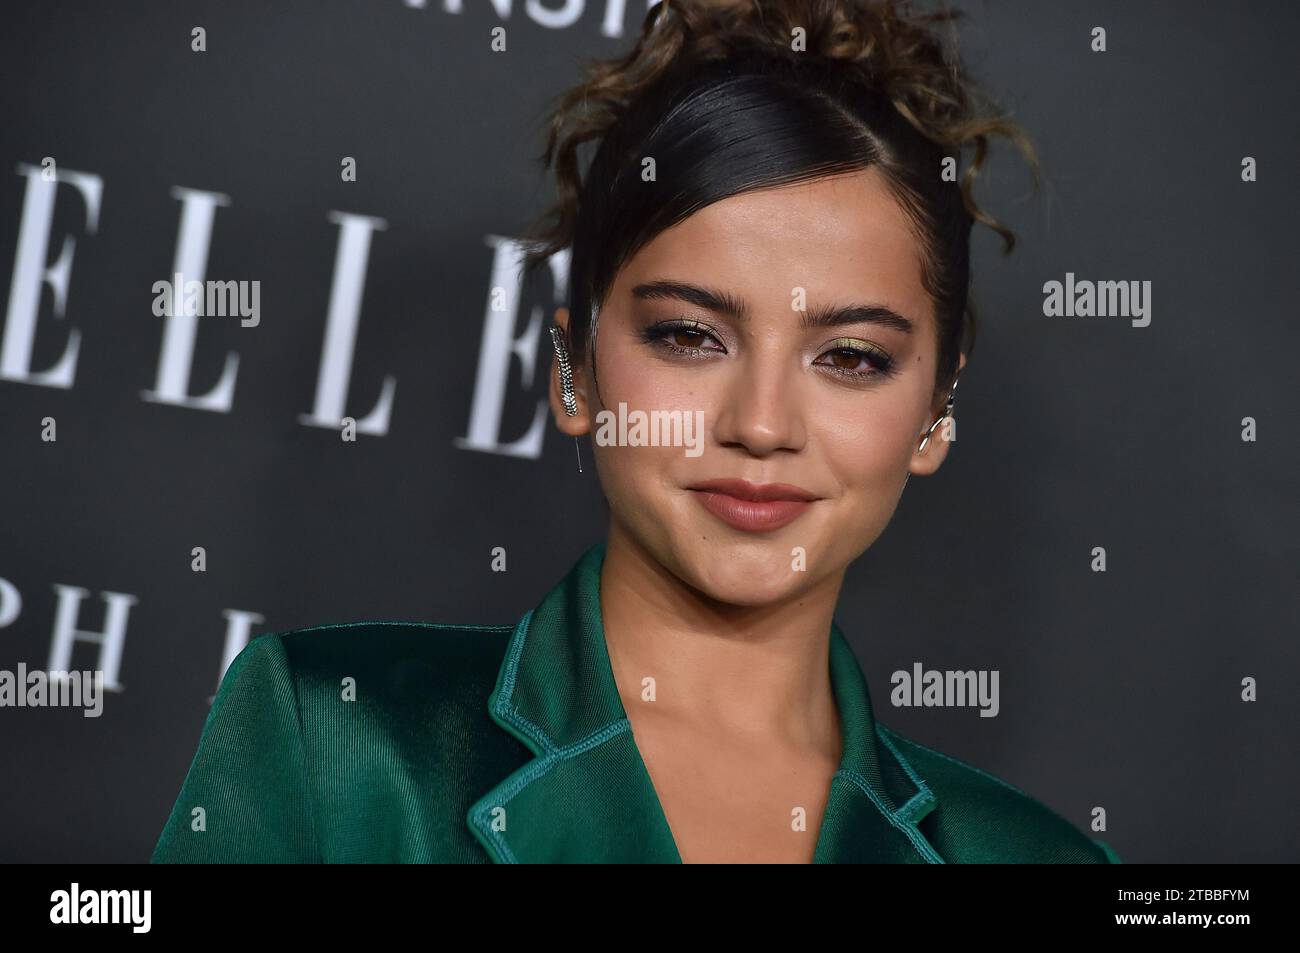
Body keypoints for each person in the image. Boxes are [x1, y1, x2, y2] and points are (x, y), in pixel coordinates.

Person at [151, 0, 1121, 864]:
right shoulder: (334, 742)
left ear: (935, 409)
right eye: (690, 336)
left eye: (851, 355)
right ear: (573, 371)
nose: (761, 424)